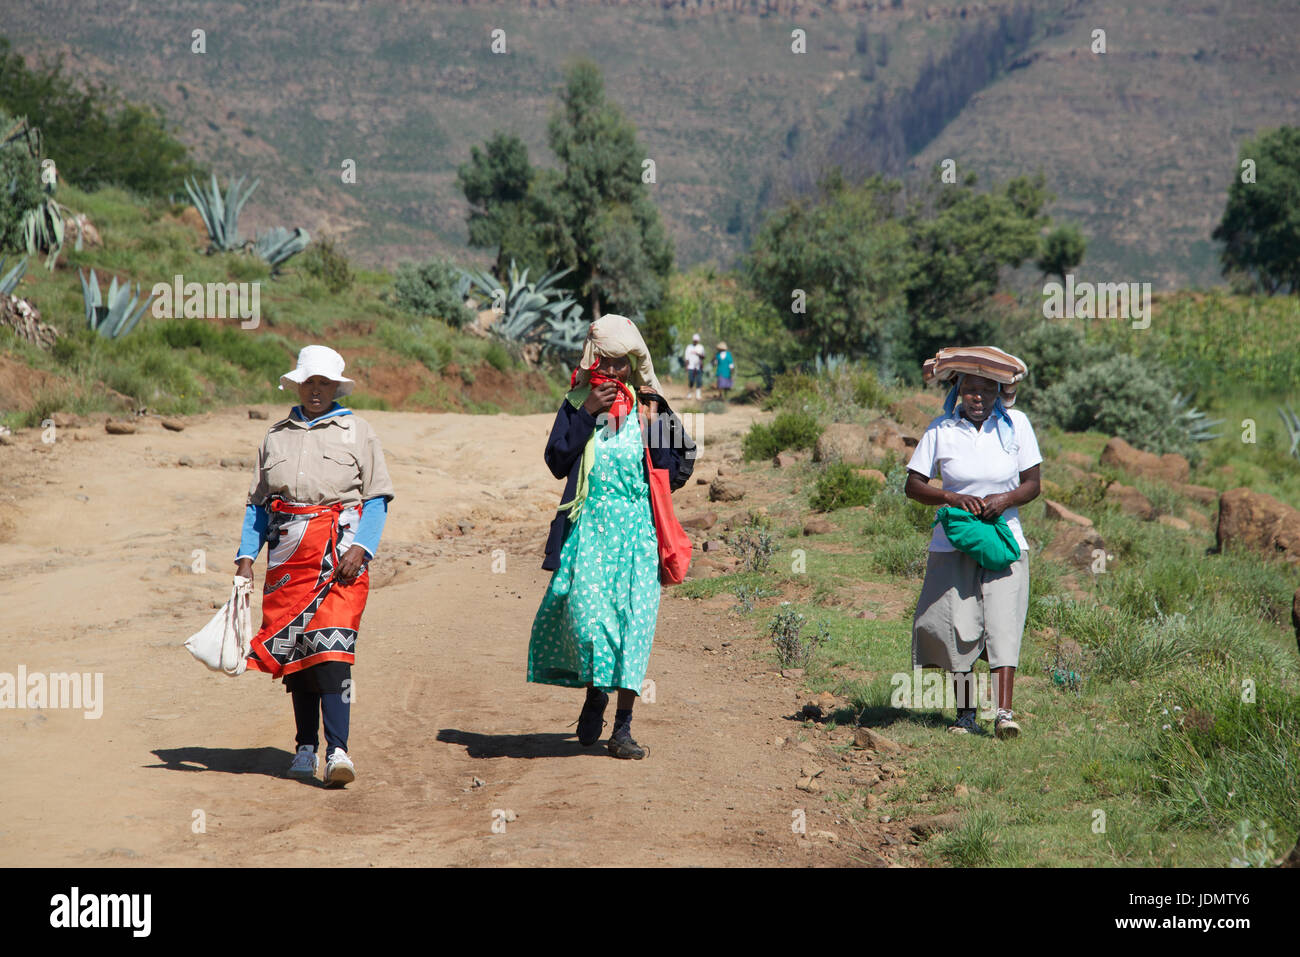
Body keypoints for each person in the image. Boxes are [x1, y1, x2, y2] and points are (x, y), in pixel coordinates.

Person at [528, 315, 695, 758]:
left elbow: (682, 459)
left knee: (633, 630)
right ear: (594, 360)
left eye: (624, 363)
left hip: (638, 536)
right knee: (588, 624)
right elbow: (557, 460)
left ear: (635, 362)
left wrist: (657, 479)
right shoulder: (579, 402)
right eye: (609, 361)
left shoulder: (650, 405)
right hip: (591, 534)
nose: (616, 371)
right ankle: (595, 695)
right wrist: (587, 414)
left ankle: (622, 729)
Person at [235, 345, 395, 785]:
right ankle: (305, 747)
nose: (316, 390)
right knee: (297, 656)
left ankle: (338, 751)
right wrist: (246, 558)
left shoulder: (358, 431)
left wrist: (362, 549)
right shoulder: (275, 436)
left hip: (340, 556)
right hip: (287, 556)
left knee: (333, 652)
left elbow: (377, 498)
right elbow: (257, 506)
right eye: (310, 382)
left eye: (324, 383)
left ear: (336, 387)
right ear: (298, 384)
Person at [903, 353, 1040, 739]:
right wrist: (951, 497)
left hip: (1004, 541)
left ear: (1000, 392)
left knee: (1003, 625)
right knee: (958, 627)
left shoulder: (1017, 427)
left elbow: (1033, 484)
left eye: (986, 388)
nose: (977, 396)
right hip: (953, 544)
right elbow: (913, 485)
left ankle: (1003, 714)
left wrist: (1003, 500)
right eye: (970, 388)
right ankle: (965, 716)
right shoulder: (941, 430)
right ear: (958, 391)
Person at [684, 333, 706, 400]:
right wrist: (686, 366)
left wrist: (698, 354)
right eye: (694, 340)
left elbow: (703, 356)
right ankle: (689, 393)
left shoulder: (701, 347)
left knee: (699, 381)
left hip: (698, 366)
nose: (695, 341)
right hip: (691, 366)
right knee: (691, 380)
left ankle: (698, 395)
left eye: (697, 340)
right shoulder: (689, 347)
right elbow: (687, 358)